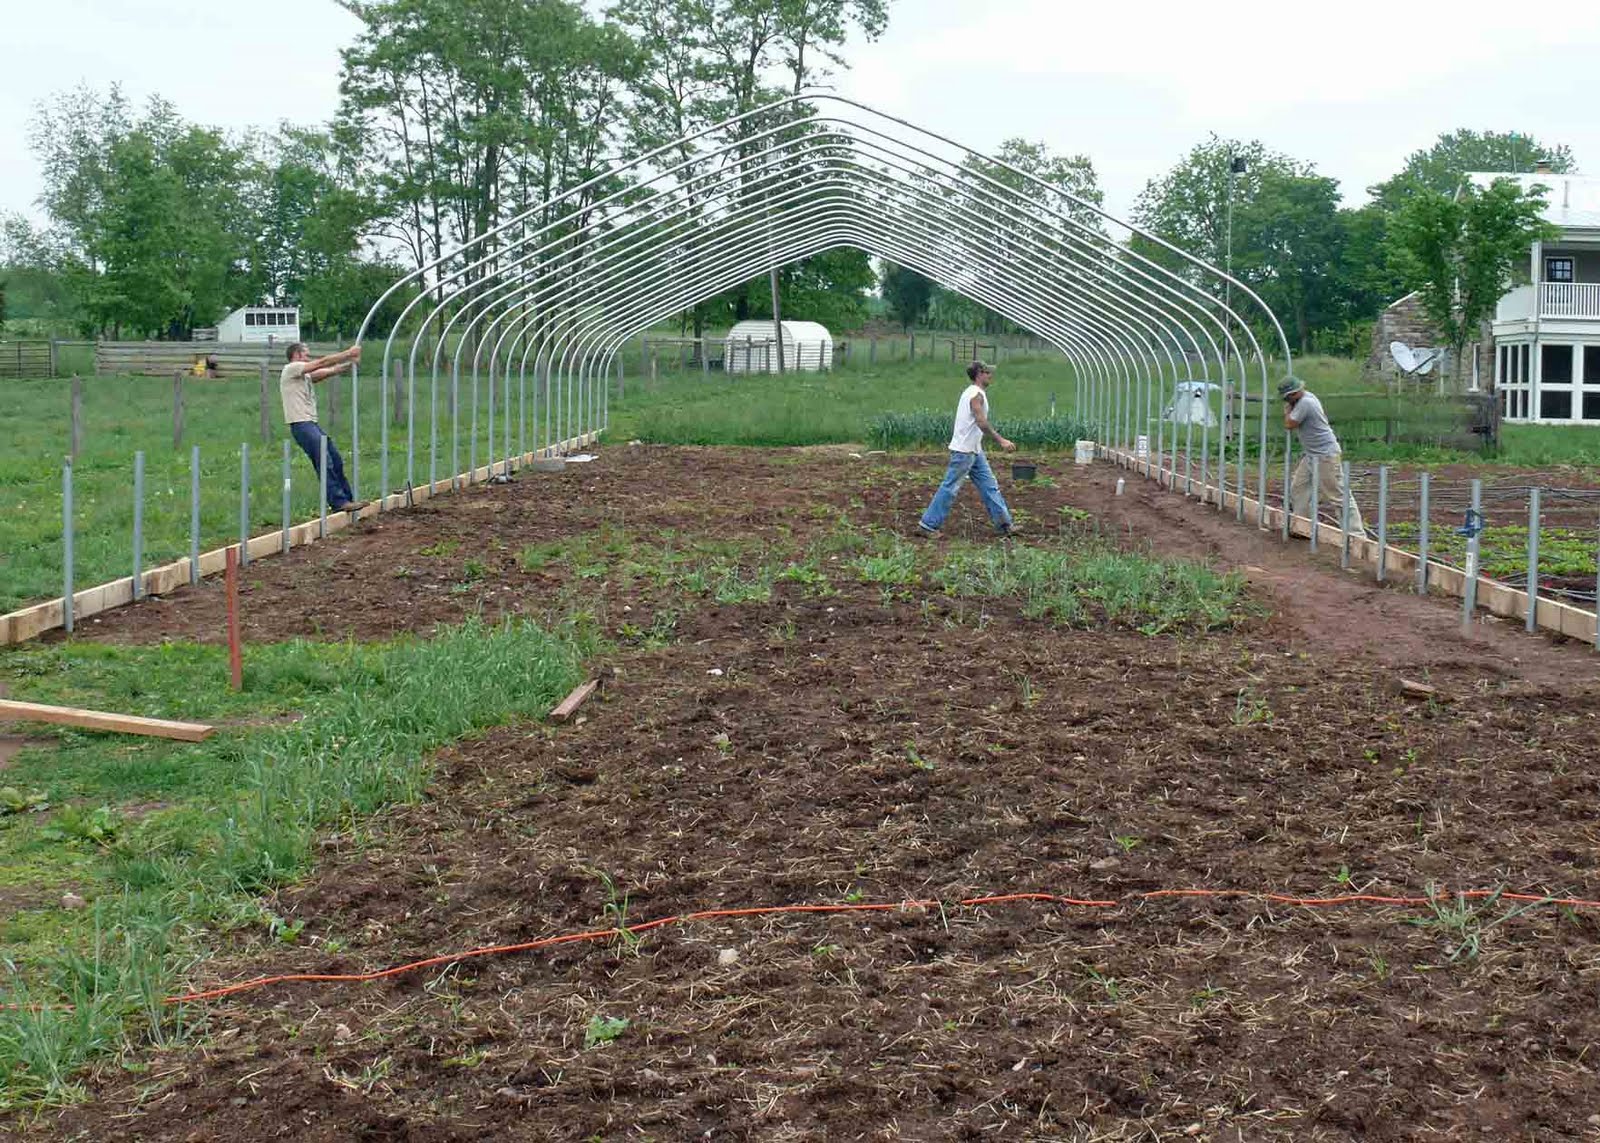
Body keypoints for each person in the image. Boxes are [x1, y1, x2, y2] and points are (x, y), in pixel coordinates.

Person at [917, 360, 1017, 538]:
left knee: (990, 486)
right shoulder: (975, 395)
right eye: (987, 372)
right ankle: (928, 525)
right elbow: (981, 422)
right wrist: (1001, 440)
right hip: (964, 451)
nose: (990, 375)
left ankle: (1004, 524)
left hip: (974, 450)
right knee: (950, 488)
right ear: (979, 373)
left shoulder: (972, 392)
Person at [282, 342, 364, 513]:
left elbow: (328, 371)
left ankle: (348, 499)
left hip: (310, 423)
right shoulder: (292, 368)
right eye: (306, 355)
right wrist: (349, 353)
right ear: (296, 355)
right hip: (301, 424)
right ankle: (338, 502)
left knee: (334, 458)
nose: (308, 358)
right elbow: (322, 363)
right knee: (324, 460)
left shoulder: (304, 376)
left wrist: (349, 364)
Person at [1280, 376, 1365, 536]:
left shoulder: (1306, 402)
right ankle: (1302, 528)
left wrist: (1287, 411)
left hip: (1325, 455)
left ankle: (1356, 535)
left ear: (1295, 393)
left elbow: (1289, 424)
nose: (1286, 400)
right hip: (1311, 455)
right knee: (1299, 488)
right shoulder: (1303, 400)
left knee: (1337, 495)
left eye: (1288, 397)